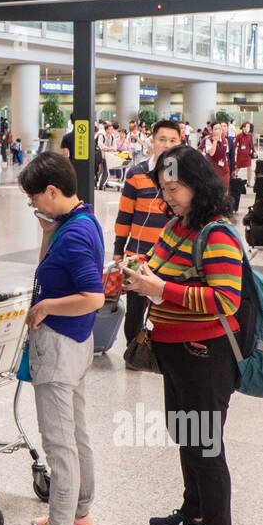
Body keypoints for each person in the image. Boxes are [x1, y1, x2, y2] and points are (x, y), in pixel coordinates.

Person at [122, 144, 243, 525]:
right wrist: (130, 274)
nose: (168, 196)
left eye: (175, 188)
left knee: (206, 447)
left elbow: (226, 299)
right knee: (187, 435)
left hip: (205, 354)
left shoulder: (217, 233)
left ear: (198, 184)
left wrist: (161, 290)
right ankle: (194, 513)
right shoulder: (178, 225)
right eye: (164, 188)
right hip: (175, 351)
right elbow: (156, 267)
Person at [6, 152, 105, 525]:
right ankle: (78, 515)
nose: (32, 206)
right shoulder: (79, 220)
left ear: (52, 190)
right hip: (76, 346)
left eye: (35, 199)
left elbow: (93, 296)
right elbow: (53, 267)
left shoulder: (76, 235)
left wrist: (46, 309)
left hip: (61, 346)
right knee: (75, 434)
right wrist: (47, 231)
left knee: (59, 441)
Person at [113, 120, 183, 352]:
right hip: (138, 251)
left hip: (171, 255)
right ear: (152, 142)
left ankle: (167, 350)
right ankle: (133, 350)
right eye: (162, 139)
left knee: (168, 304)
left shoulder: (182, 178)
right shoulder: (136, 174)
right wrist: (118, 249)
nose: (167, 145)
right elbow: (124, 214)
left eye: (173, 141)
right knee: (135, 307)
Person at [204, 121, 231, 187]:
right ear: (212, 131)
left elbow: (225, 154)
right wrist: (215, 140)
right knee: (216, 190)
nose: (218, 131)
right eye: (216, 129)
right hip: (214, 169)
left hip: (224, 168)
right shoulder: (208, 140)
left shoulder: (225, 140)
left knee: (225, 189)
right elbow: (211, 153)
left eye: (219, 128)